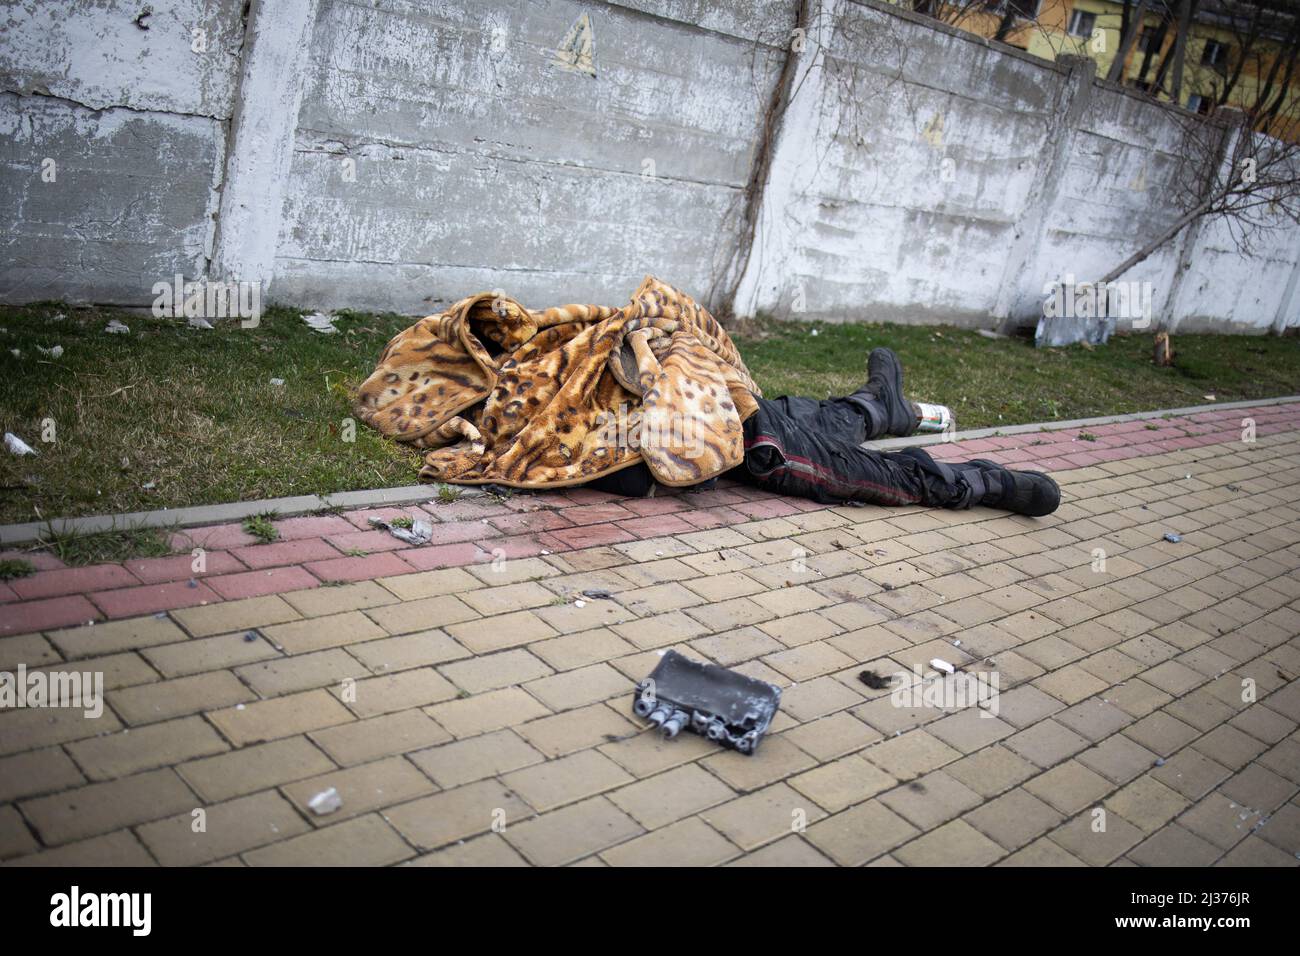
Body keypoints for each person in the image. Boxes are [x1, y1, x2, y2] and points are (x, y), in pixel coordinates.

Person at [589, 347, 1060, 517]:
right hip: (725, 430)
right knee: (797, 429)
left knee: (835, 460)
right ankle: (876, 410)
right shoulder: (536, 426)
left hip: (730, 415)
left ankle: (969, 479)